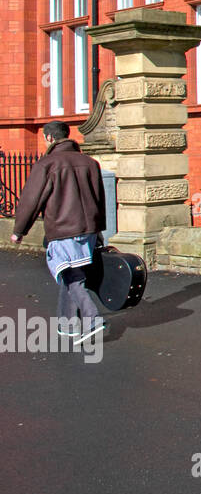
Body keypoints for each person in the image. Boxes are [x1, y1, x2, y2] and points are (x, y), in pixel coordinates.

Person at [10, 121, 106, 345]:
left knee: (72, 276)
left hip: (63, 229)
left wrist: (19, 230)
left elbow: (31, 200)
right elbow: (100, 199)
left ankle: (93, 318)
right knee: (70, 272)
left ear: (49, 138)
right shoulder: (90, 163)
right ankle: (67, 325)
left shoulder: (47, 164)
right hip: (89, 229)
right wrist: (99, 230)